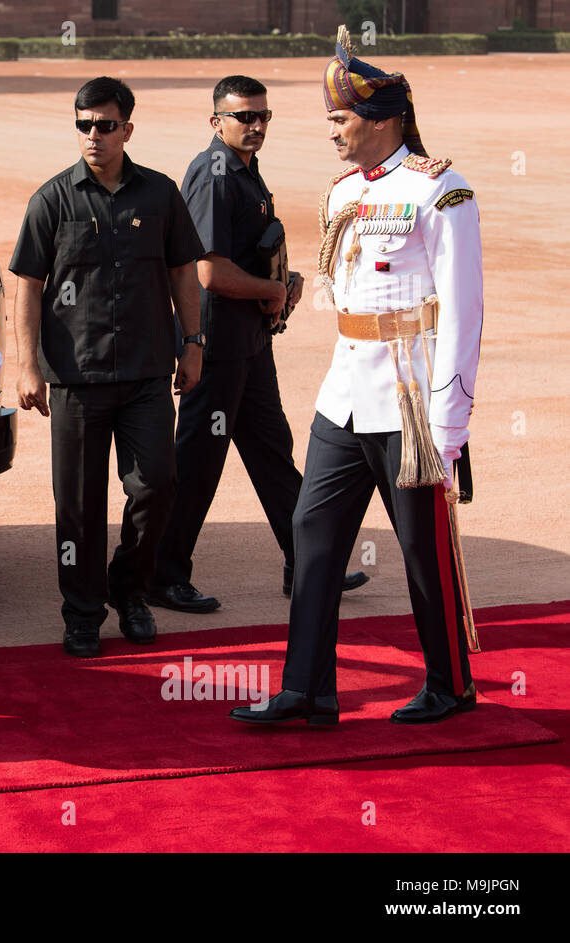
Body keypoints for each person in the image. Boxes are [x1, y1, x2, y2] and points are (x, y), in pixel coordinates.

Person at [232, 28, 482, 726]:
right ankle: (307, 689)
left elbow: (464, 312)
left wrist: (449, 422)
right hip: (345, 394)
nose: (333, 132)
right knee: (313, 532)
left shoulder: (442, 191)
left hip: (410, 396)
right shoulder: (343, 192)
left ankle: (450, 683)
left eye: (341, 119)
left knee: (423, 548)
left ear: (384, 120)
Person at [151, 75, 368, 613]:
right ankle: (163, 573)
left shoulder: (244, 170)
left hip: (248, 342)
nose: (255, 126)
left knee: (273, 452)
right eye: (243, 116)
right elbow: (208, 272)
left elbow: (242, 255)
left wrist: (283, 281)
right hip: (217, 343)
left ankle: (309, 564)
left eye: (262, 116)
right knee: (198, 459)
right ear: (216, 121)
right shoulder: (214, 174)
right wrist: (274, 288)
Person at [10, 76, 204, 657]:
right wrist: (27, 365)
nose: (93, 136)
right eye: (84, 125)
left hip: (147, 371)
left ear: (127, 129)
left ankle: (130, 587)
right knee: (79, 504)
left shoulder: (160, 195)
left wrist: (193, 343)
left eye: (105, 125)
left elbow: (182, 275)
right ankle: (83, 613)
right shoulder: (52, 200)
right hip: (76, 377)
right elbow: (27, 286)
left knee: (158, 486)